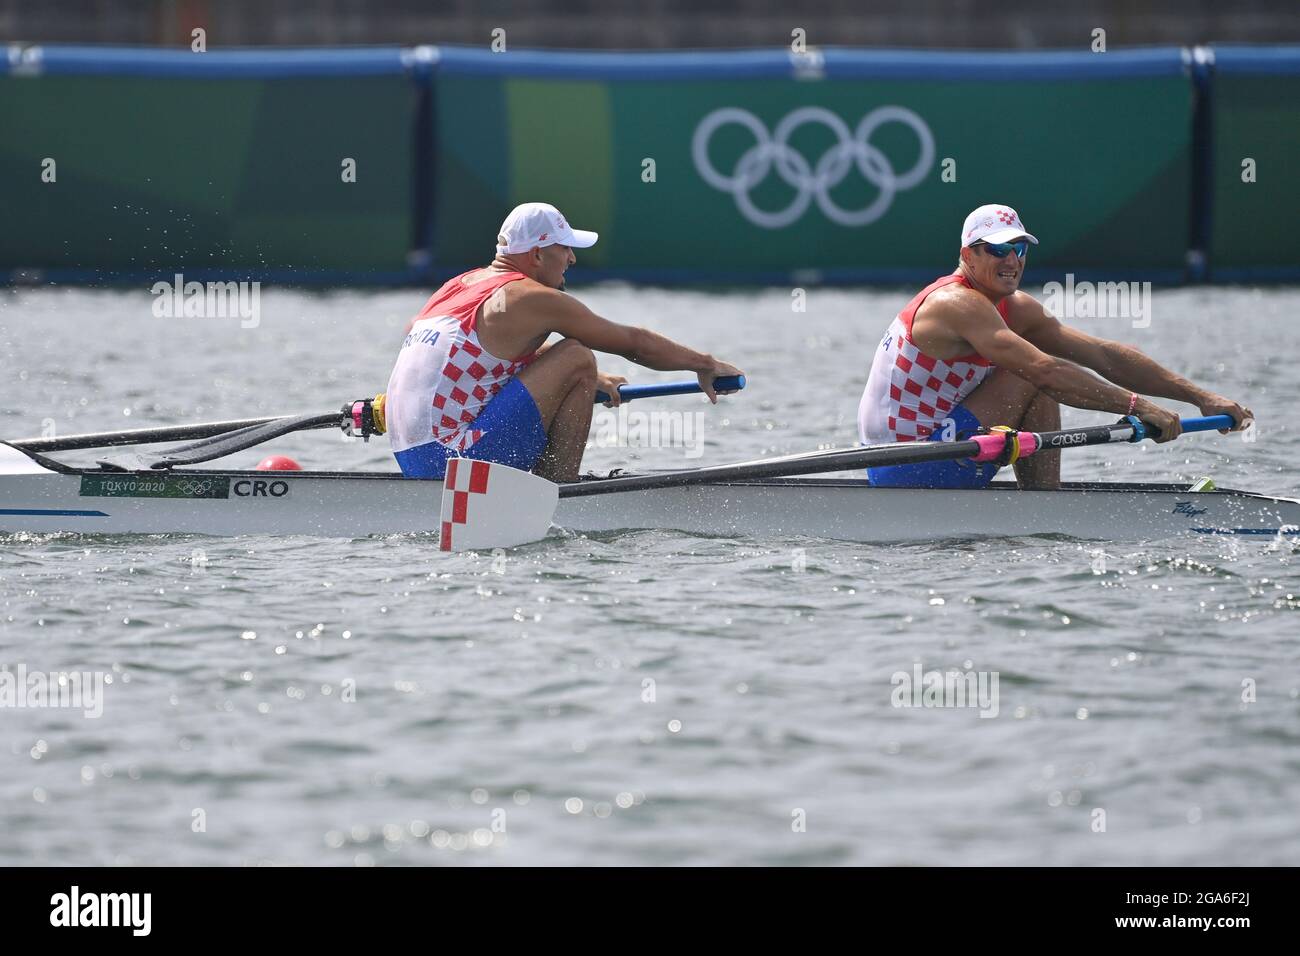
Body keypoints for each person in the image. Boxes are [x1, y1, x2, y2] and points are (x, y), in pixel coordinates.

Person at [857, 204, 1251, 489]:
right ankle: (1045, 506)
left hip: (937, 451)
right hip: (905, 467)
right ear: (967, 256)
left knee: (1042, 373)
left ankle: (1044, 503)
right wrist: (1139, 407)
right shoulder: (955, 304)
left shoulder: (1014, 308)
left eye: (1019, 249)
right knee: (1033, 372)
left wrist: (1201, 397)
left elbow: (1102, 354)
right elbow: (1045, 371)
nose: (1011, 259)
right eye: (997, 250)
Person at [386, 202, 743, 482]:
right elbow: (633, 343)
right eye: (565, 247)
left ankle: (540, 483)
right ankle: (559, 489)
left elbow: (476, 355)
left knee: (575, 367)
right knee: (578, 357)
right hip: (454, 464)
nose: (572, 257)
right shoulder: (527, 297)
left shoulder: (457, 286)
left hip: (412, 459)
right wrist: (705, 364)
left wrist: (586, 384)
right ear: (538, 254)